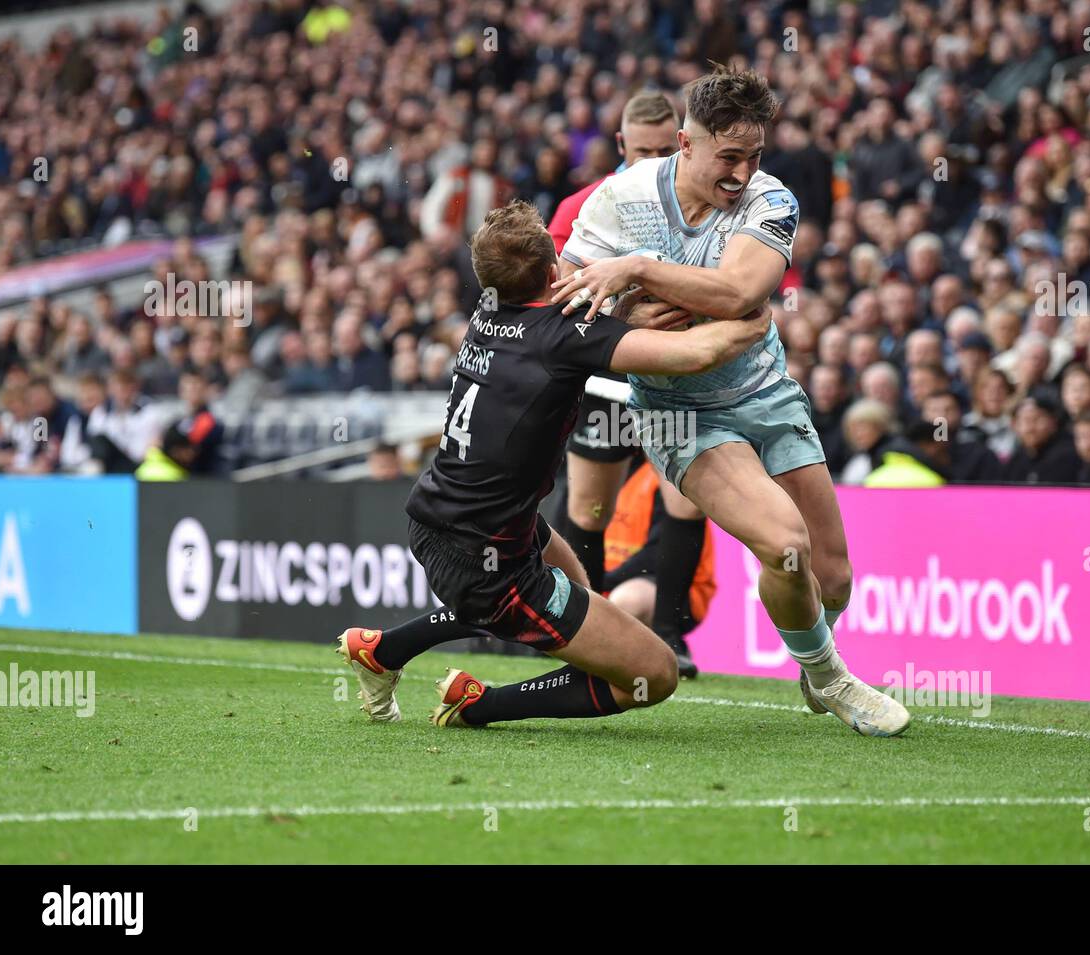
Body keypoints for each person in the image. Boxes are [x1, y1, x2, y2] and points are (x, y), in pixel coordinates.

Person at [552, 65, 909, 737]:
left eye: (754, 156)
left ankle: (813, 654)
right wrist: (625, 329)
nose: (743, 172)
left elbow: (741, 294)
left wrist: (638, 271)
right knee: (785, 545)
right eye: (729, 156)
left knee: (832, 578)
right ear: (685, 144)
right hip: (681, 411)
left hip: (766, 394)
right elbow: (563, 308)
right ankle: (833, 679)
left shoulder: (771, 201)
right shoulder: (618, 199)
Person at [334, 200, 766, 728]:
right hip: (484, 554)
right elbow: (696, 353)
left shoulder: (486, 314)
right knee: (652, 676)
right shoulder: (563, 338)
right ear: (553, 272)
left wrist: (622, 318)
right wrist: (752, 315)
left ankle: (385, 651)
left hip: (442, 519)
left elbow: (558, 339)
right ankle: (481, 705)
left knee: (573, 583)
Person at [549, 92, 707, 677]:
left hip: (677, 377)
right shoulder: (582, 206)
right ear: (620, 146)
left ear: (684, 145)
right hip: (607, 381)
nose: (654, 160)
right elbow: (556, 300)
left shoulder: (703, 201)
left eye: (667, 149)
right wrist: (624, 320)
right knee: (590, 510)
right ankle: (589, 634)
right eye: (643, 150)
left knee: (685, 501)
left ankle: (671, 633)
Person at [602, 459, 717, 637]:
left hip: (676, 588)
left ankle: (667, 638)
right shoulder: (592, 471)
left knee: (628, 601)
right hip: (613, 580)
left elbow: (655, 555)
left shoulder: (664, 476)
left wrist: (600, 580)